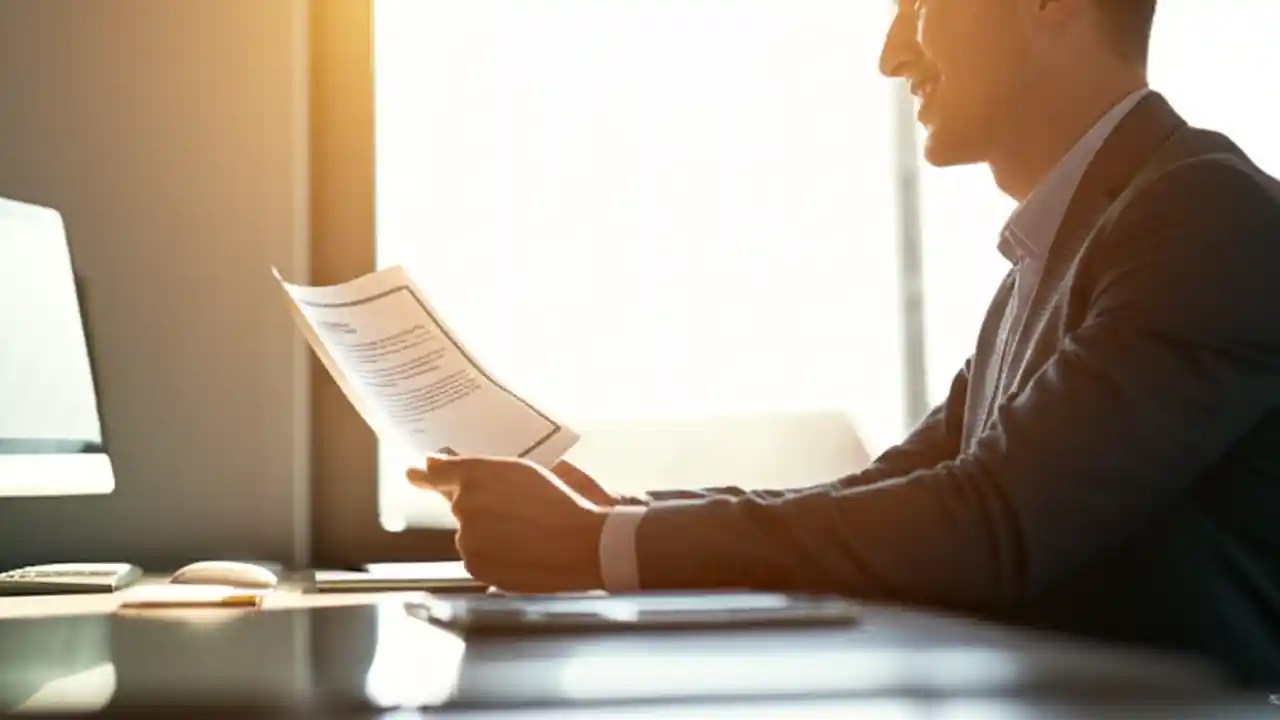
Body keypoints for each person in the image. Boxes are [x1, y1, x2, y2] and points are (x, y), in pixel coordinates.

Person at [408, 0, 1280, 683]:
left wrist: (598, 545)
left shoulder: (1202, 216)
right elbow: (894, 491)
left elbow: (988, 524)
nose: (893, 54)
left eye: (917, 2)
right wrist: (616, 515)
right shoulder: (1054, 262)